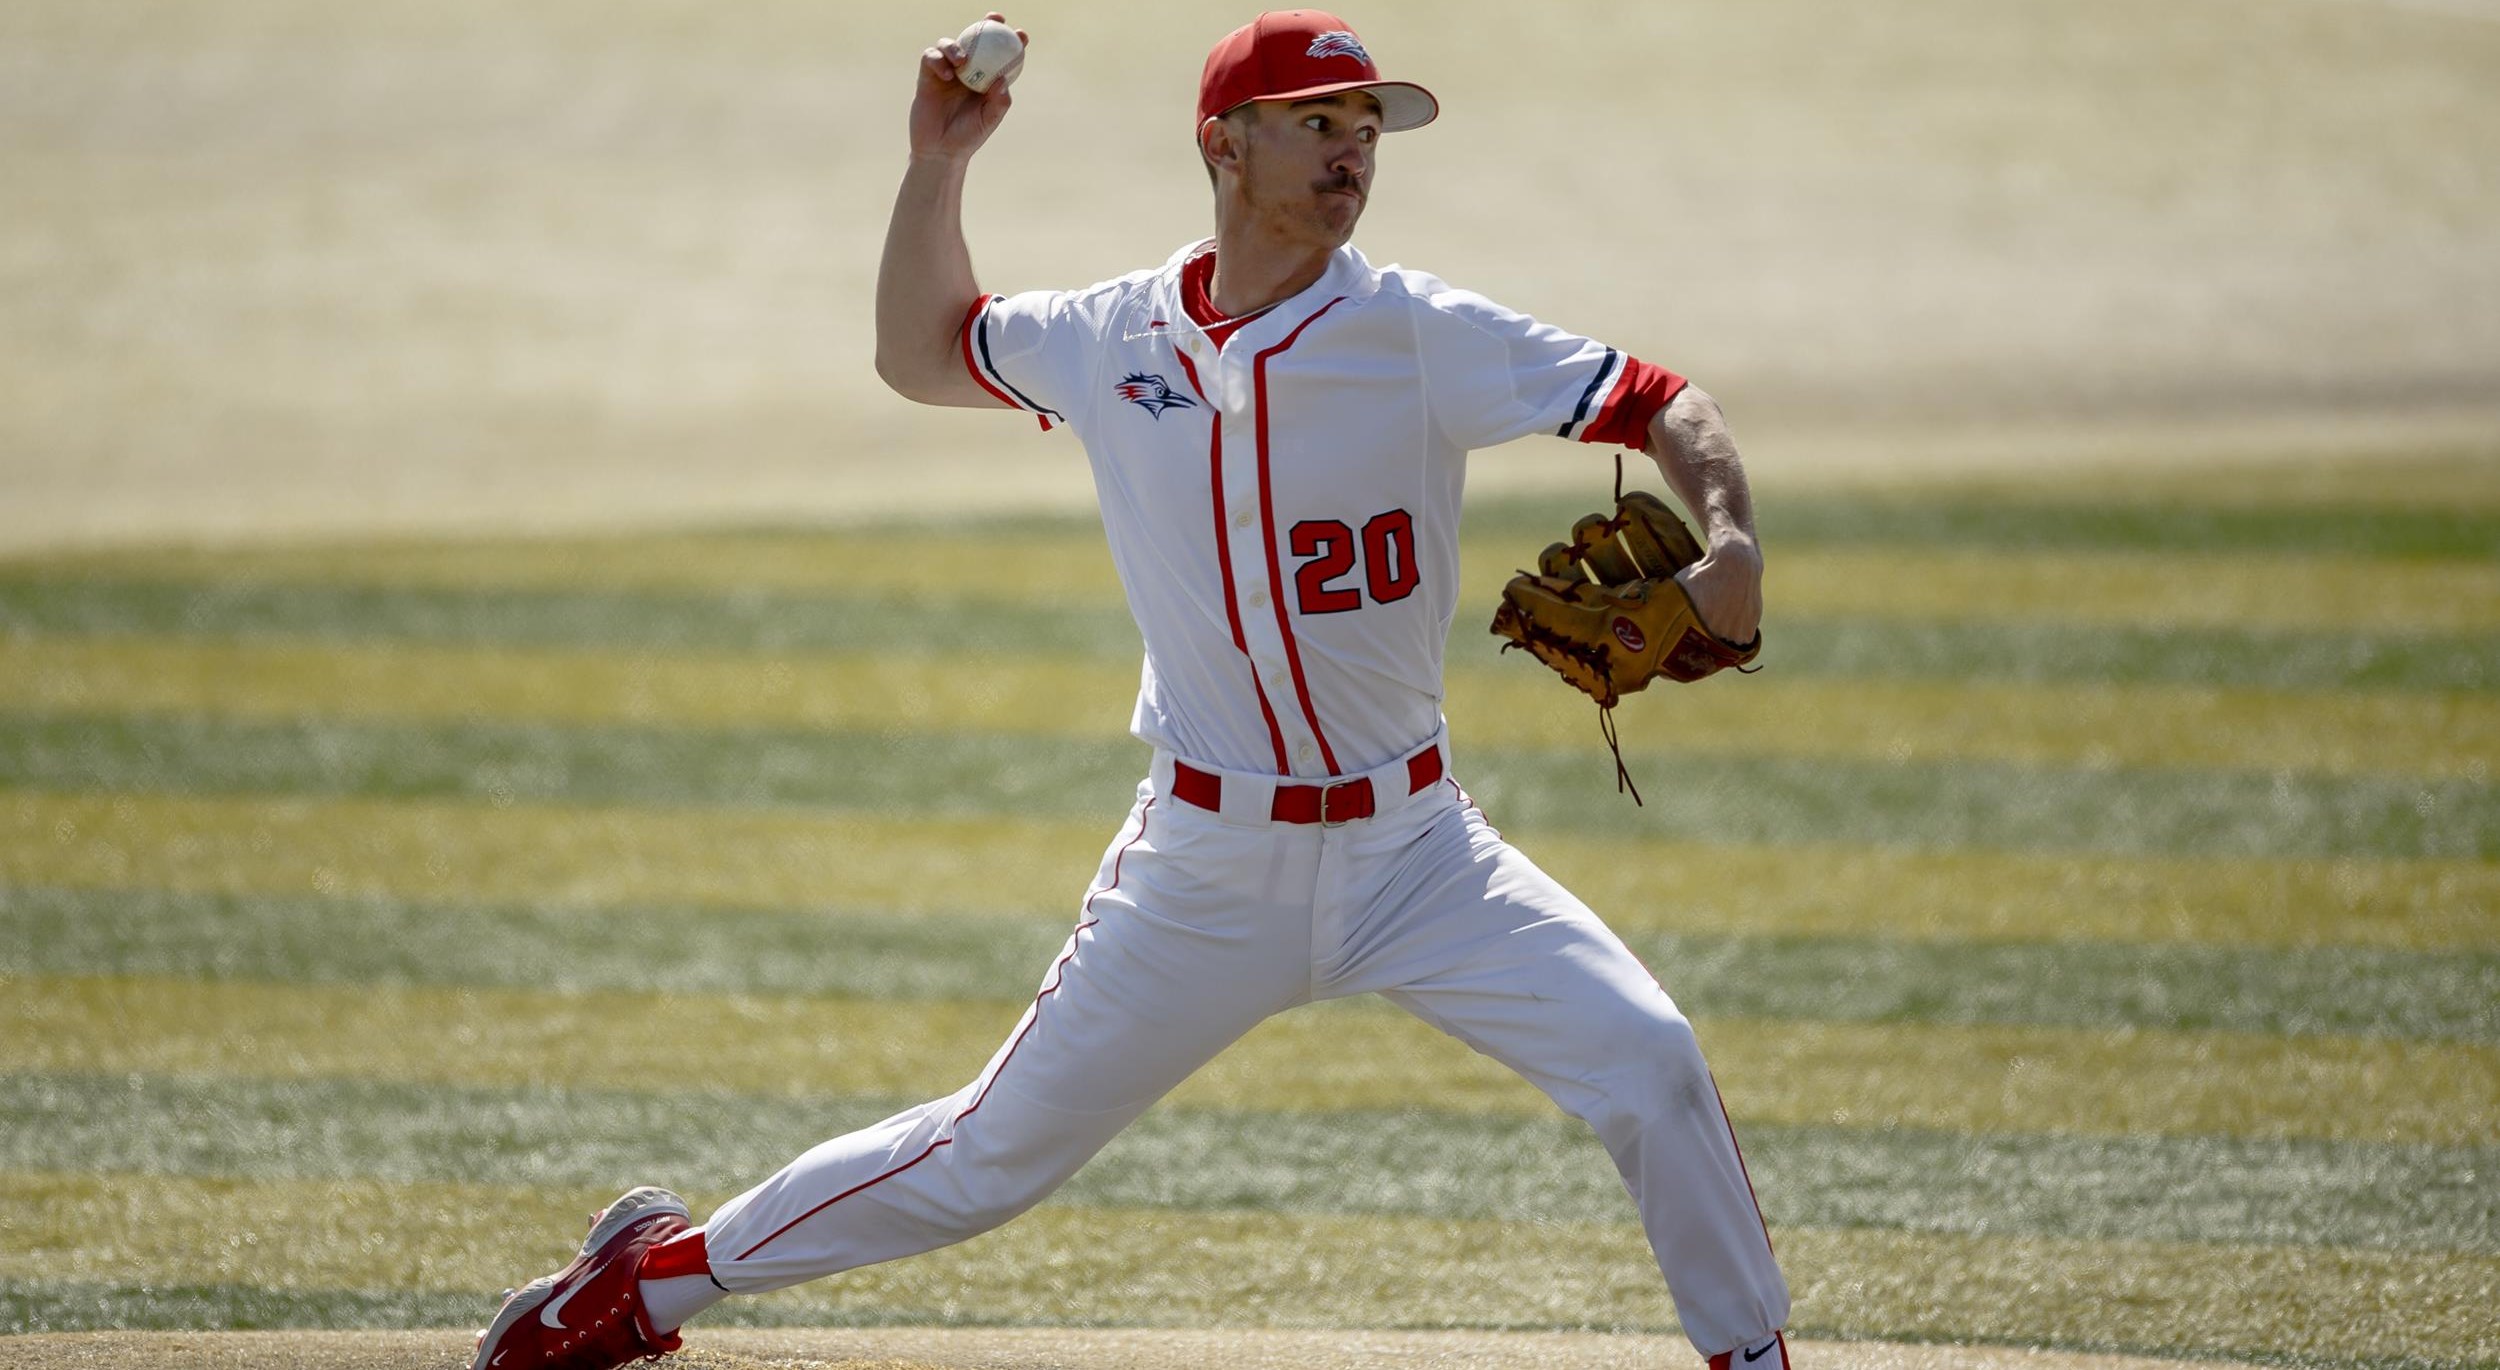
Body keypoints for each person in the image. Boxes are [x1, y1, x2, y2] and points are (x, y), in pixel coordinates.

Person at [470, 11, 1790, 1369]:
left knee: (1651, 1058)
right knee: (984, 1159)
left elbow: (1662, 401)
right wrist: (938, 159)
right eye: (1318, 124)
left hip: (1420, 855)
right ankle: (647, 1282)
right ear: (1225, 142)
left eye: (1366, 129)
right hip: (1207, 867)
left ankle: (1751, 1357)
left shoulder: (1414, 331)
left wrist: (1732, 535)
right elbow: (922, 353)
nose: (1354, 155)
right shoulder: (1112, 339)